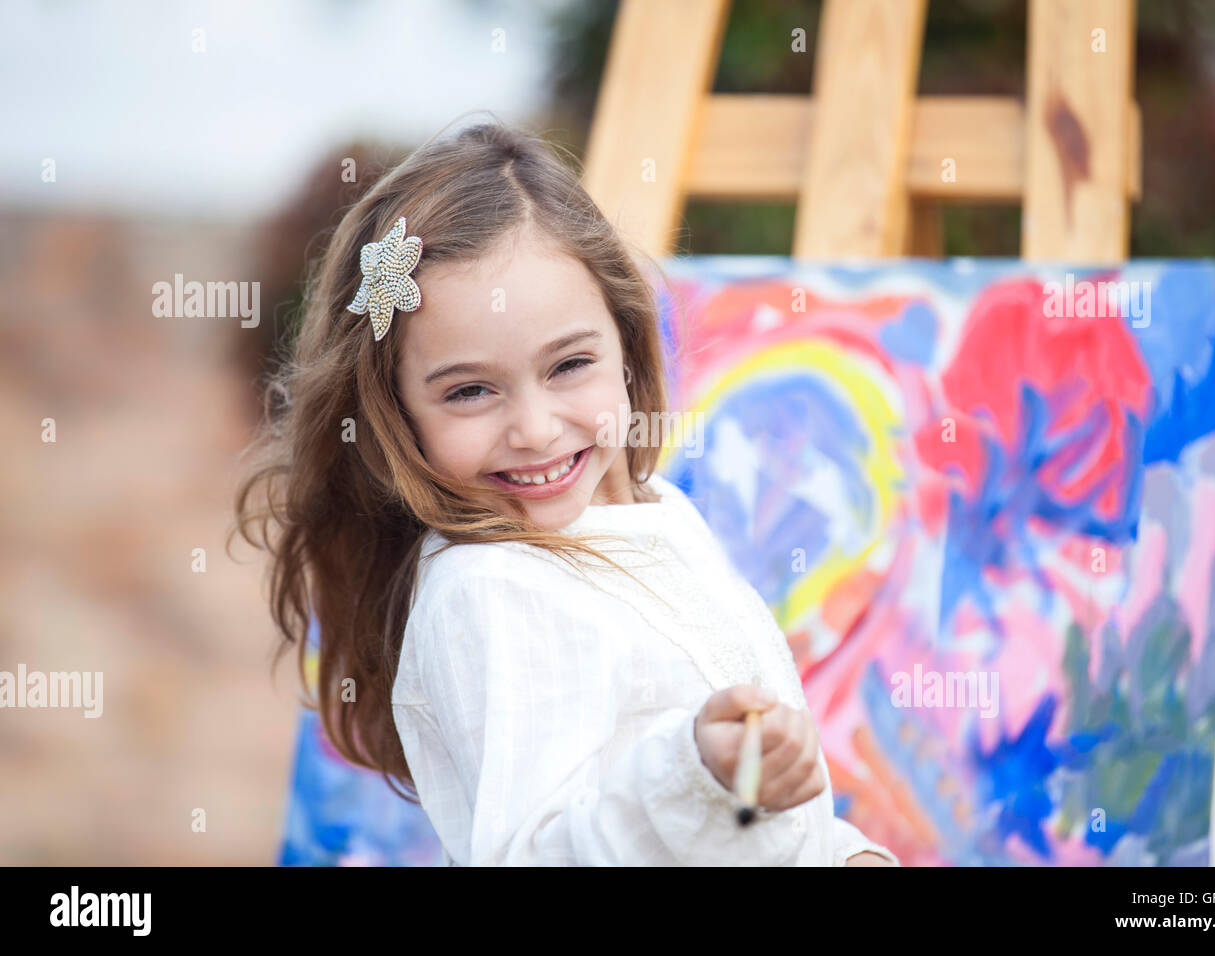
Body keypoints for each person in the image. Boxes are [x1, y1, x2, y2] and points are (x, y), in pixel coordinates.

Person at [233, 117, 898, 866]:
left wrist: (841, 853)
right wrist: (699, 778)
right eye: (471, 391)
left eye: (568, 366)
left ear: (624, 340)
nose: (536, 430)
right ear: (397, 414)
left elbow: (763, 826)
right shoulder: (486, 592)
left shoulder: (656, 518)